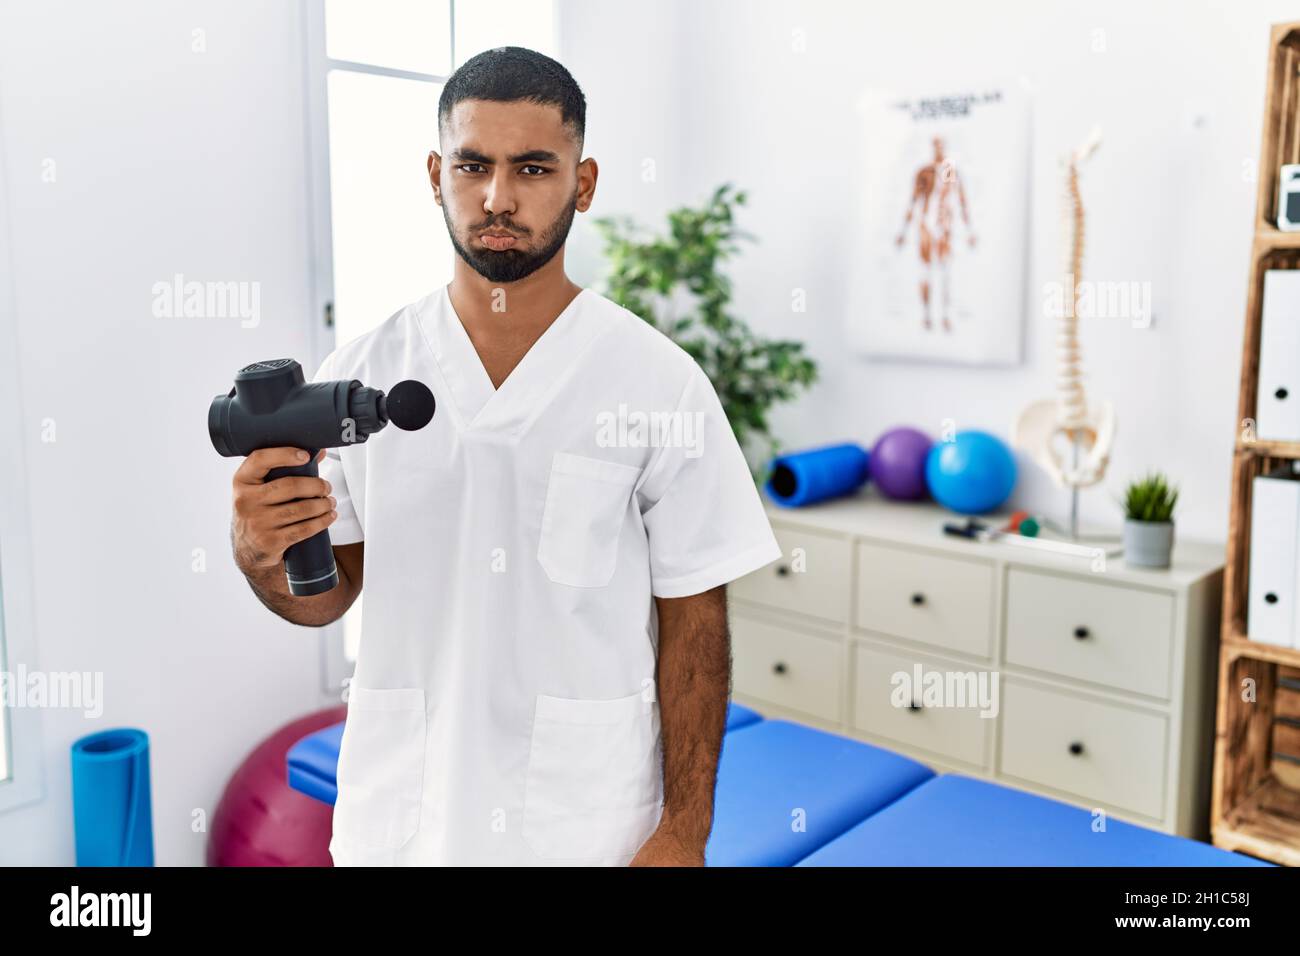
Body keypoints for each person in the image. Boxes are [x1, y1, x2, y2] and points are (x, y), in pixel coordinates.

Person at [228, 47, 782, 866]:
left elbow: (695, 621)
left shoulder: (659, 383)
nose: (497, 197)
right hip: (401, 819)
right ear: (434, 174)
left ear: (583, 184)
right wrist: (257, 555)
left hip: (585, 824)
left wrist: (684, 830)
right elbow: (324, 598)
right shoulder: (360, 373)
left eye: (532, 167)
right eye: (472, 165)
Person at [895, 136, 977, 332]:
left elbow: (961, 200)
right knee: (925, 271)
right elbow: (913, 201)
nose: (939, 149)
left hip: (944, 226)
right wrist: (903, 231)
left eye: (942, 145)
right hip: (926, 225)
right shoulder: (925, 172)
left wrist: (969, 231)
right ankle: (926, 315)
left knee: (945, 271)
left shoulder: (949, 171)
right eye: (936, 145)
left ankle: (945, 315)